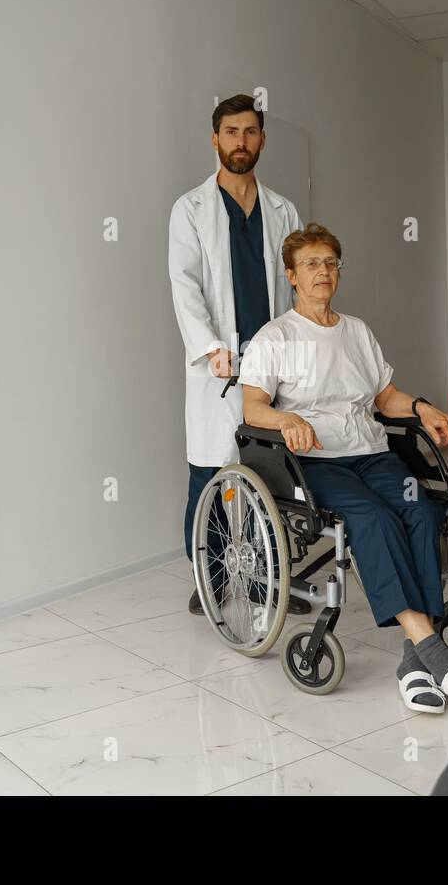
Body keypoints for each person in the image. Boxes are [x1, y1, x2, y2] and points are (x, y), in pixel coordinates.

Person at [236, 222, 448, 711]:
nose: (323, 272)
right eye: (311, 264)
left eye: (330, 263)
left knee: (422, 512)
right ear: (292, 275)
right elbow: (253, 408)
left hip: (372, 452)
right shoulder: (275, 337)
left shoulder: (357, 331)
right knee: (373, 519)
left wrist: (423, 408)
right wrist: (286, 417)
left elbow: (385, 397)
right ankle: (435, 651)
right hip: (313, 461)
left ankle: (414, 659)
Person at [168, 94, 309, 616]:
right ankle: (211, 577)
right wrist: (211, 349)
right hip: (220, 365)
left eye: (250, 132)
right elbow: (184, 286)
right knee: (210, 472)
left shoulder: (284, 210)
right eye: (231, 132)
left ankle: (266, 581)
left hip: (269, 363)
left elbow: (294, 284)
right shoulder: (190, 209)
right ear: (215, 139)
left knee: (269, 472)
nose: (241, 142)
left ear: (262, 140)